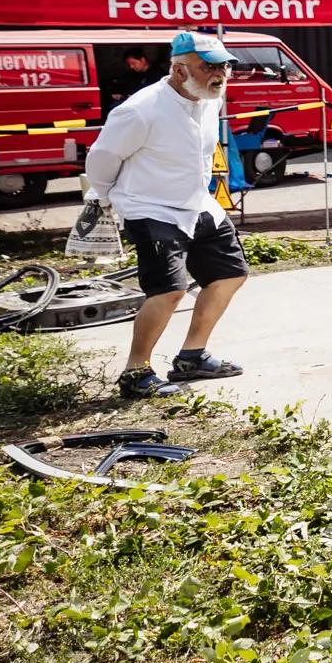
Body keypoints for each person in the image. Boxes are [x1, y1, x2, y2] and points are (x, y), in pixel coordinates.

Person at [82, 31, 251, 400]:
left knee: (229, 275)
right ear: (178, 69)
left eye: (224, 65)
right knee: (168, 290)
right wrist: (113, 199)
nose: (220, 73)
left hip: (198, 204)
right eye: (208, 66)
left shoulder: (208, 98)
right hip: (150, 206)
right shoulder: (140, 110)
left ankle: (192, 356)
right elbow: (101, 160)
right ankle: (136, 372)